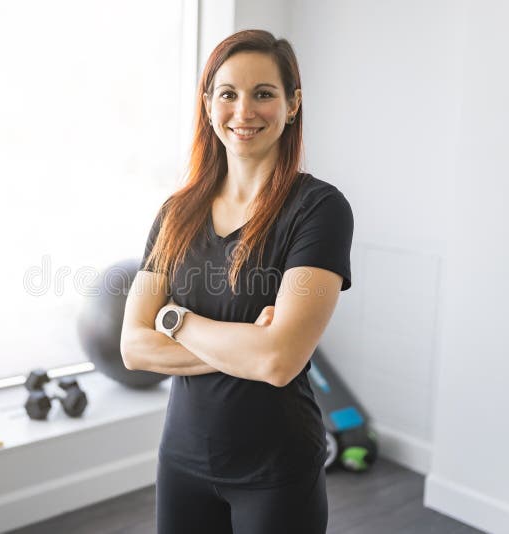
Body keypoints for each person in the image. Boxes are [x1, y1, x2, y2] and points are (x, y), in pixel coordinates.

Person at [119, 29, 353, 534]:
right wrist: (247, 344)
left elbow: (277, 361)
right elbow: (133, 348)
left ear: (292, 104)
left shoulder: (319, 210)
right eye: (228, 94)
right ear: (208, 105)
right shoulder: (176, 213)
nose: (244, 111)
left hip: (276, 469)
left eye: (263, 94)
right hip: (181, 460)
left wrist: (173, 319)